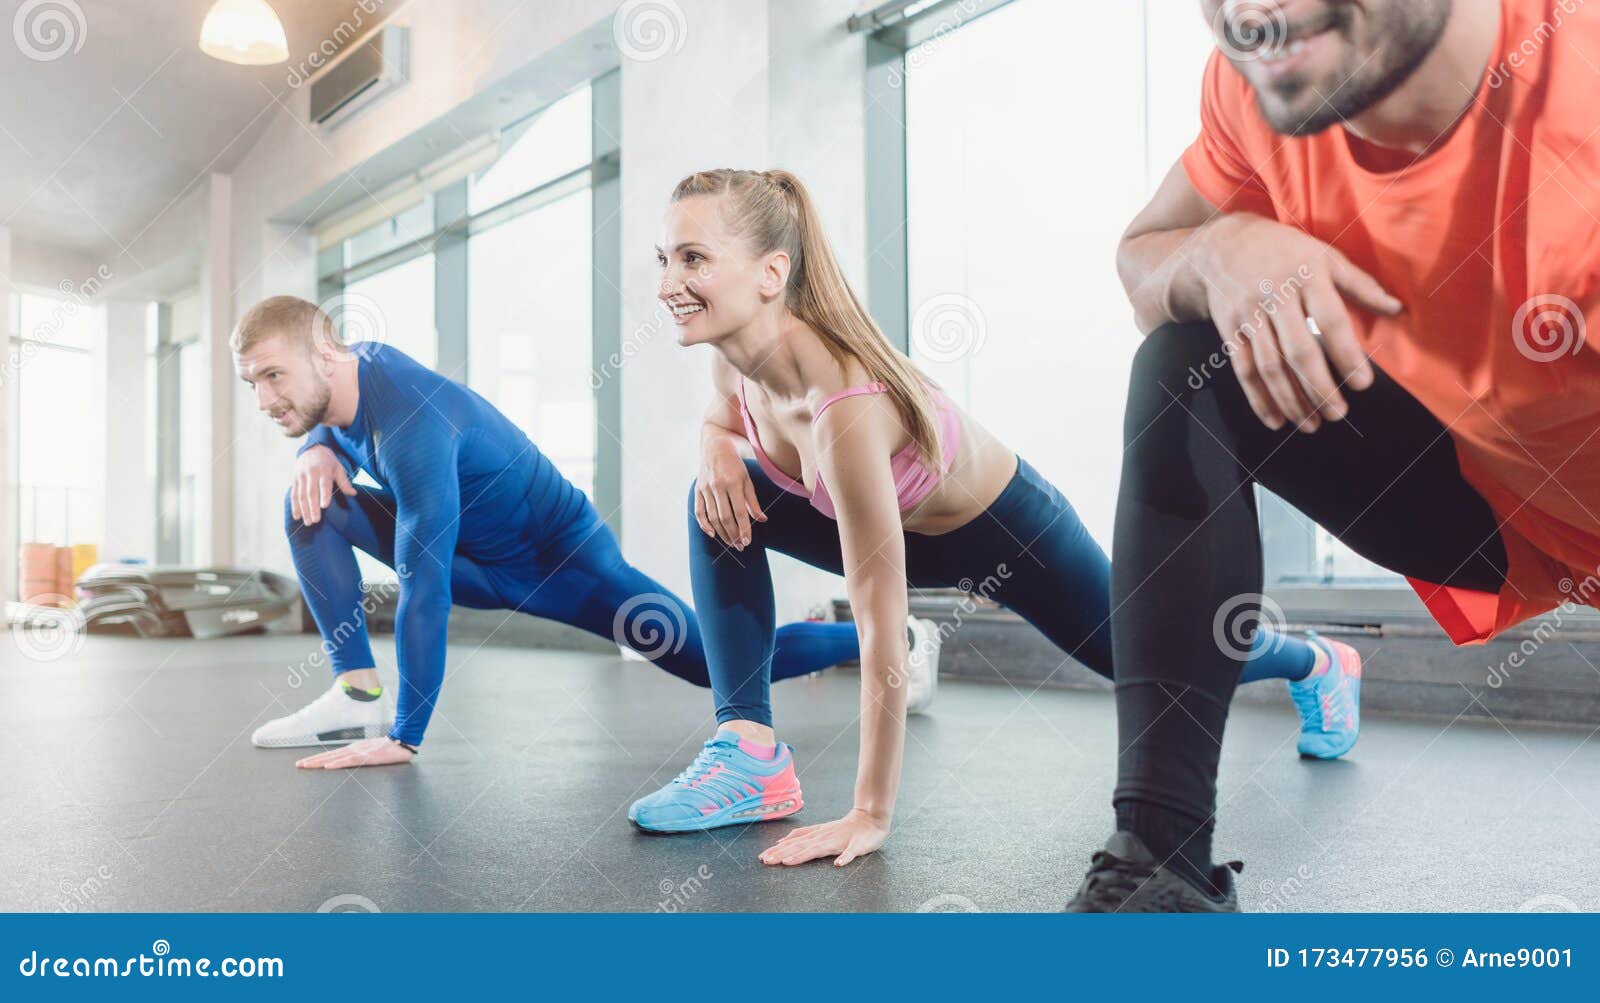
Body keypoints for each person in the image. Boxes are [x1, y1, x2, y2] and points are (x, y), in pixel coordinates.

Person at [628, 168, 1352, 862]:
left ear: (770, 274)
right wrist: (713, 446)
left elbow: (883, 633)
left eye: (692, 258)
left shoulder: (842, 409)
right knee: (715, 506)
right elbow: (725, 418)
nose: (667, 285)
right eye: (664, 258)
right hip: (903, 523)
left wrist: (870, 812)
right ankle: (751, 754)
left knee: (1143, 653)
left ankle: (1316, 661)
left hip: (1005, 529)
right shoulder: (736, 360)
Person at [1067, 0, 1600, 912]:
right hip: (1491, 503)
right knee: (1186, 361)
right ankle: (1155, 875)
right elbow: (1142, 257)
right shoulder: (1262, 81)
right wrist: (1220, 245)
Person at [231, 295, 867, 767]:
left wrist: (405, 737)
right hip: (475, 562)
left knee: (712, 663)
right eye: (252, 382)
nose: (263, 401)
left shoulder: (411, 423)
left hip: (566, 567)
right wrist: (315, 447)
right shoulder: (351, 370)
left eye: (273, 377)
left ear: (323, 356)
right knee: (307, 501)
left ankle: (882, 636)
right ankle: (355, 692)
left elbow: (423, 587)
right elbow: (334, 422)